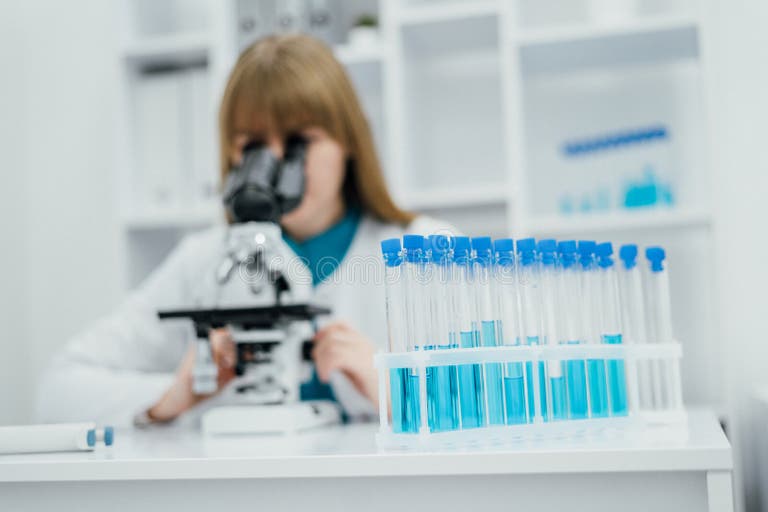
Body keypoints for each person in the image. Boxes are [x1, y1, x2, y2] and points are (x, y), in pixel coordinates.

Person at [36, 34, 452, 426]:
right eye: (253, 146)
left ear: (348, 142)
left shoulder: (426, 250)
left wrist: (396, 390)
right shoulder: (207, 261)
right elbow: (58, 390)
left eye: (299, 142)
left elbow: (499, 400)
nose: (275, 165)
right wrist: (173, 395)